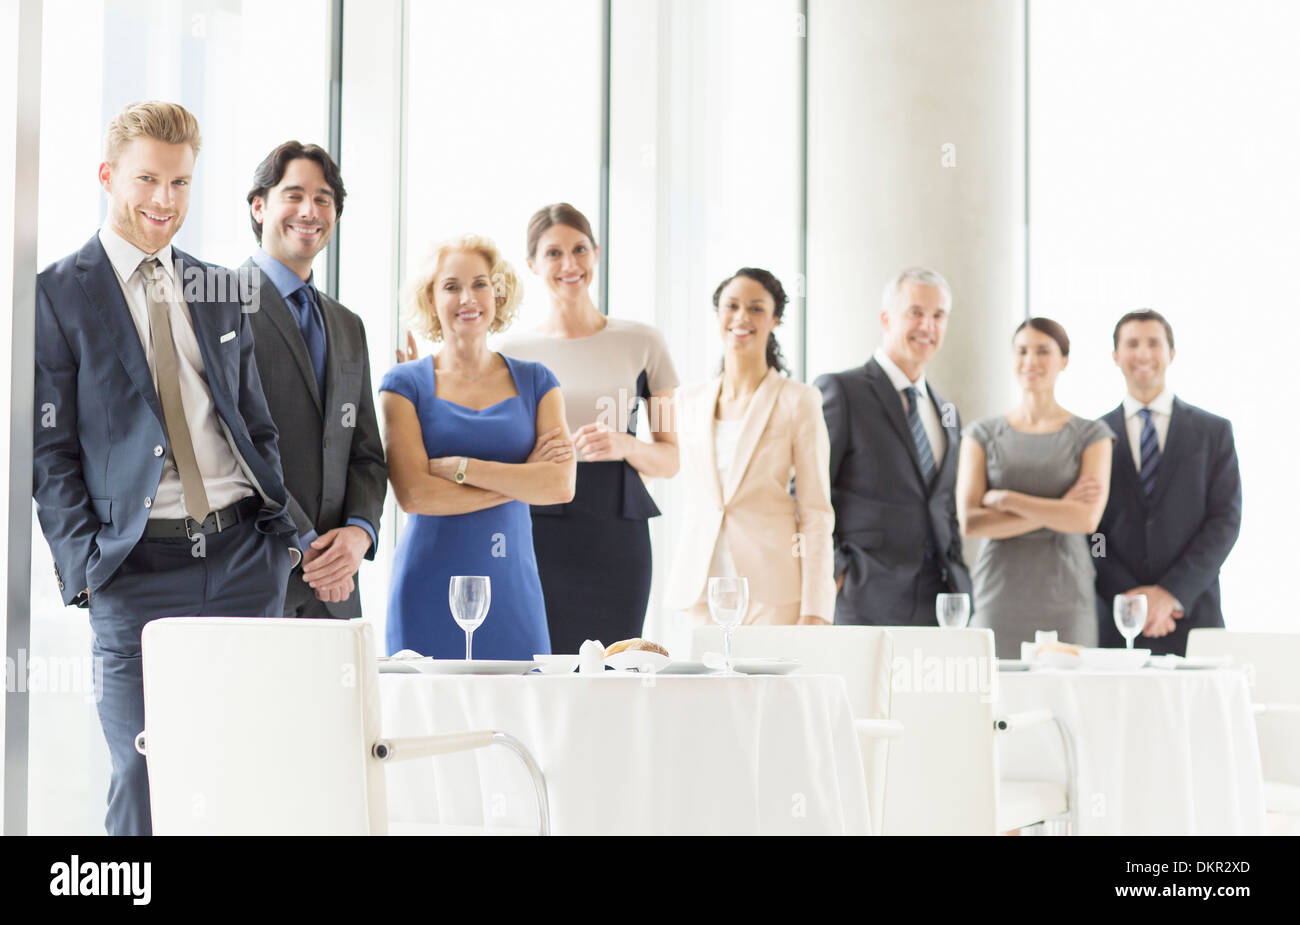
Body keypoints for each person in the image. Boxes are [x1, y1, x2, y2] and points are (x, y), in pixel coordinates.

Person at [32, 101, 300, 836]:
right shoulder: (57, 293)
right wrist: (85, 564)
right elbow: (49, 451)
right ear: (107, 176)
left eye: (180, 183)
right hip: (135, 568)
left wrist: (278, 534)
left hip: (246, 556)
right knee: (143, 775)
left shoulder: (220, 286)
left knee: (243, 769)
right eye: (147, 179)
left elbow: (255, 420)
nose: (163, 200)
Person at [494, 203, 679, 653]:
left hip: (617, 533)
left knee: (616, 668)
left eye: (579, 249)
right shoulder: (511, 352)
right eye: (553, 253)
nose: (570, 264)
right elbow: (496, 450)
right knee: (542, 664)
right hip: (538, 529)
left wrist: (624, 443)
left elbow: (671, 458)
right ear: (532, 265)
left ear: (596, 252)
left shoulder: (644, 342)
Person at [380, 234, 575, 659]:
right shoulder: (404, 385)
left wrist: (462, 467)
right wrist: (523, 478)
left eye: (480, 284)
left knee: (521, 719)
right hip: (427, 581)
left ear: (497, 292)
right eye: (451, 286)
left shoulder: (537, 381)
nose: (468, 298)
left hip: (511, 585)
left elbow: (559, 485)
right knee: (425, 720)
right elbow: (414, 495)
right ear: (431, 300)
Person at [242, 141, 387, 617]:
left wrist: (359, 533)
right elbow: (231, 444)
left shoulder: (348, 325)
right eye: (294, 194)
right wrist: (306, 544)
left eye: (324, 198)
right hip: (257, 577)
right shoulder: (220, 306)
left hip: (338, 592)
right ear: (260, 206)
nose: (310, 210)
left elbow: (365, 453)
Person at [666, 268, 835, 626]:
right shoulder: (687, 401)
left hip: (772, 593)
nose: (742, 317)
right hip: (697, 590)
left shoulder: (799, 400)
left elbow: (816, 511)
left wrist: (816, 608)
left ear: (774, 319)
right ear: (718, 315)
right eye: (732, 306)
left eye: (756, 308)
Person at [814, 267, 971, 626]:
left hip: (938, 600)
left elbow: (944, 506)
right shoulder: (843, 391)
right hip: (865, 594)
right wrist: (838, 571)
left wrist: (960, 577)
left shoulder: (947, 411)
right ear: (886, 318)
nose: (928, 326)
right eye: (915, 312)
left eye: (938, 316)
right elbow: (808, 491)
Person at [957, 318, 1114, 658]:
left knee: (1071, 699)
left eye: (1043, 351)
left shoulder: (1092, 434)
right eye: (1022, 351)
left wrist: (1007, 499)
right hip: (998, 594)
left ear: (1064, 360)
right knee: (994, 698)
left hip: (1067, 595)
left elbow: (1086, 520)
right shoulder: (981, 434)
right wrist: (1059, 508)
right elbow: (972, 522)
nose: (1031, 361)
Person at [1094, 310, 1241, 656]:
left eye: (1153, 343)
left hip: (1191, 614)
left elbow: (1224, 521)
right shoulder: (1093, 437)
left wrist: (1170, 594)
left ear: (1171, 354)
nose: (1142, 354)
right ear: (1115, 356)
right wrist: (1129, 597)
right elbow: (1092, 535)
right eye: (1131, 344)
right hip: (1119, 621)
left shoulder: (1213, 432)